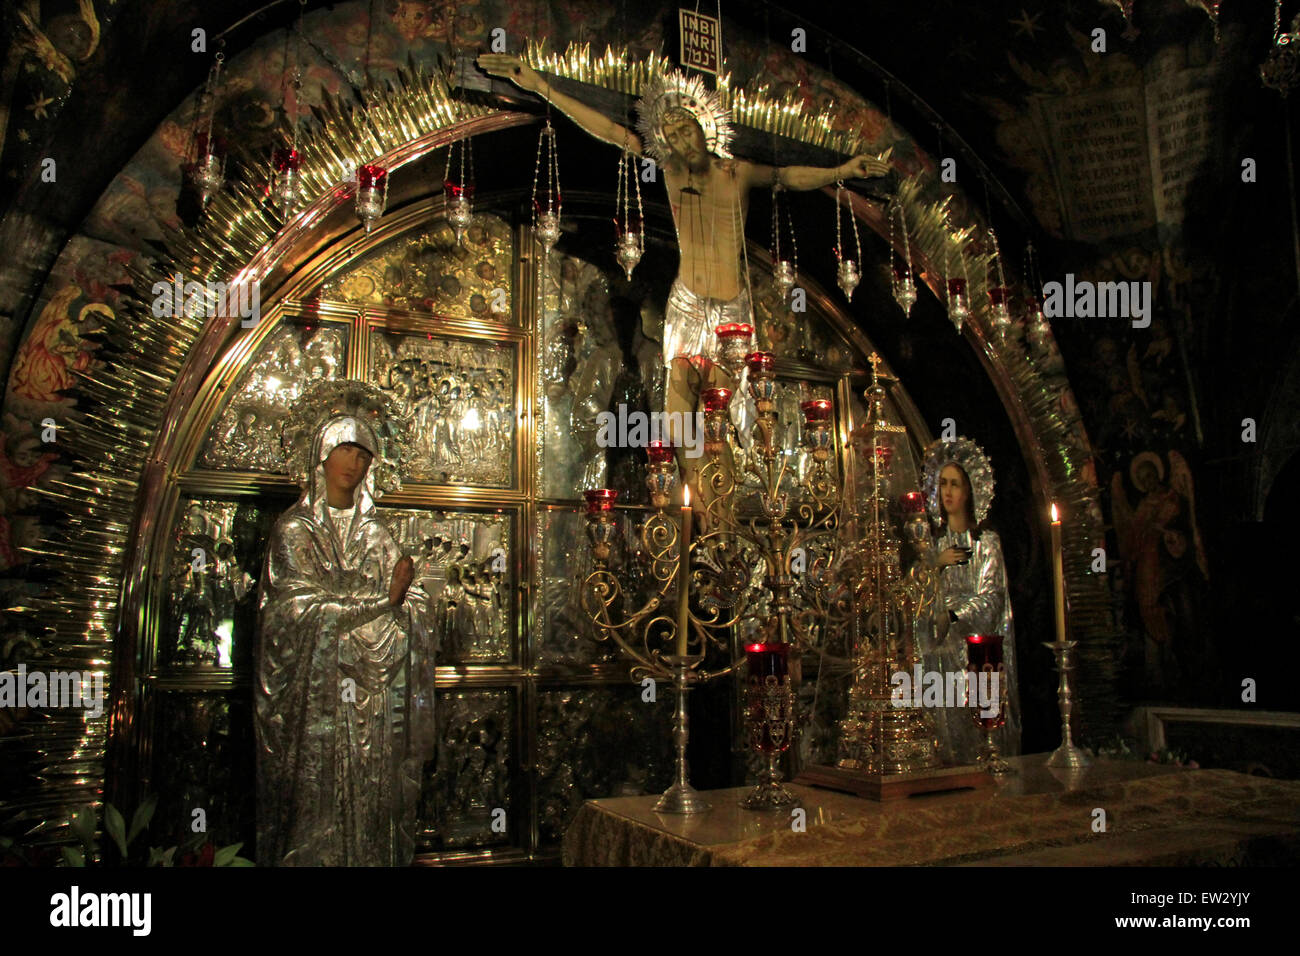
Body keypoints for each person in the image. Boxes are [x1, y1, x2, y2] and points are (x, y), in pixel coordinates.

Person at [476, 54, 889, 504]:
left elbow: (787, 175)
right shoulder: (669, 172)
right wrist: (540, 86)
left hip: (732, 307)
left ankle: (722, 510)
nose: (678, 139)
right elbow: (612, 132)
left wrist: (843, 172)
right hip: (688, 301)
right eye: (669, 134)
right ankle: (697, 510)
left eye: (684, 129)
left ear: (703, 127)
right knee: (678, 417)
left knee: (727, 409)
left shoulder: (737, 172)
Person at [254, 381, 436, 865]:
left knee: (372, 799)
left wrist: (405, 604)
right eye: (345, 450)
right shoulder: (294, 531)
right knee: (316, 805)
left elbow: (413, 602)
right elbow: (290, 614)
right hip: (315, 700)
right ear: (322, 456)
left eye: (363, 455)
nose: (354, 463)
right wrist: (379, 604)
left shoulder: (377, 534)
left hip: (372, 703)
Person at [916, 438, 1021, 768]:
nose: (948, 492)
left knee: (977, 728)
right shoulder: (932, 546)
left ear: (970, 491)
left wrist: (954, 614)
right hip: (939, 652)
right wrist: (934, 565)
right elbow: (916, 595)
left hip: (974, 653)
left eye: (955, 484)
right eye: (942, 483)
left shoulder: (985, 543)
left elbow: (991, 598)